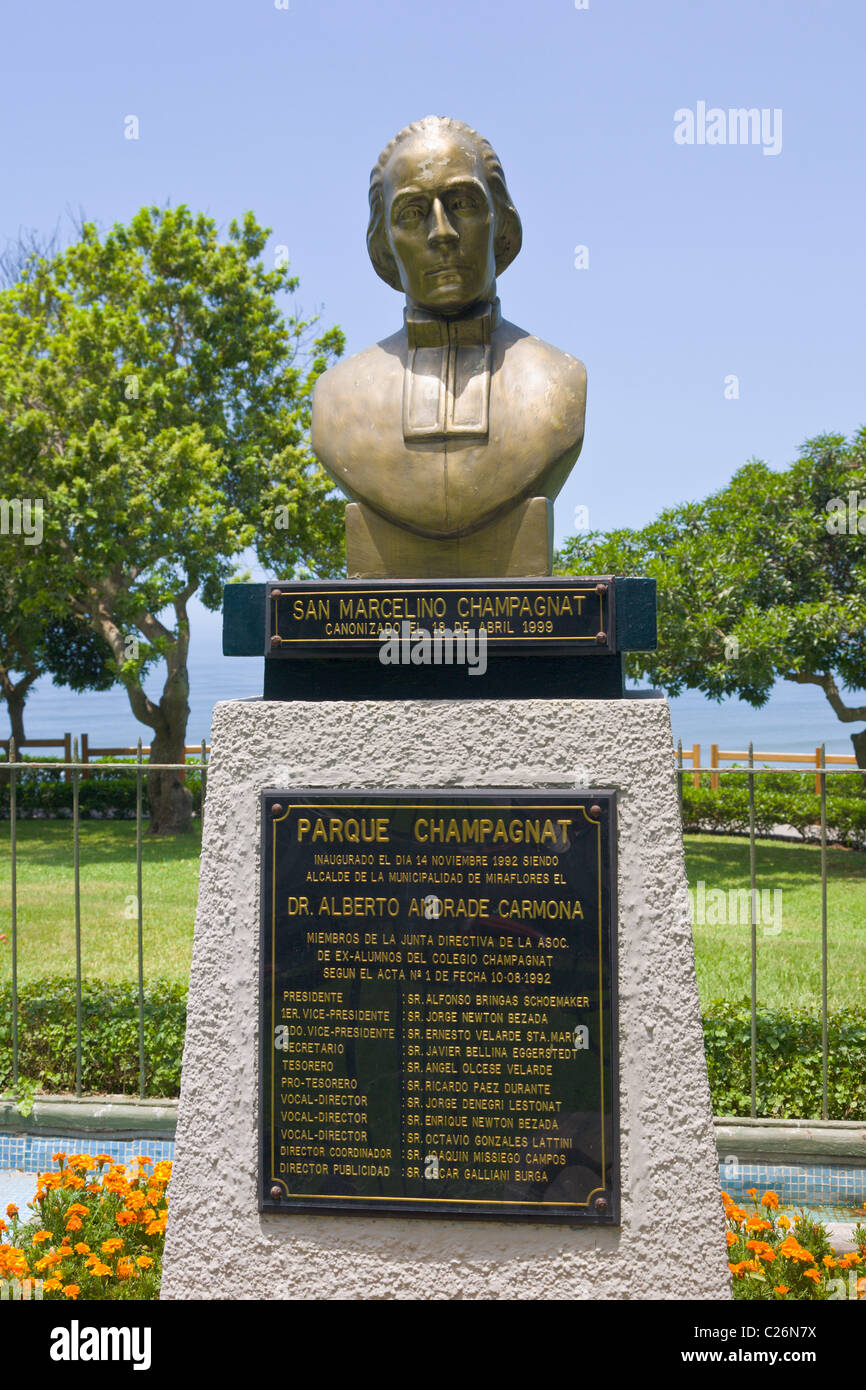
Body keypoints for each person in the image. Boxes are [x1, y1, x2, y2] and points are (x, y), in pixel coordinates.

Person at [312, 116, 587, 575]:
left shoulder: (560, 382)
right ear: (383, 246)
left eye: (461, 203)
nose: (442, 233)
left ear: (501, 225)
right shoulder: (337, 397)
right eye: (413, 213)